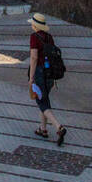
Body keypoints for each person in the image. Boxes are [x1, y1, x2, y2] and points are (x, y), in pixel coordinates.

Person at [28, 13, 67, 145]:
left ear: (35, 25)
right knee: (44, 100)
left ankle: (58, 127)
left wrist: (31, 77)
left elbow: (33, 58)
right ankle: (43, 129)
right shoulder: (49, 38)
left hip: (40, 73)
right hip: (50, 74)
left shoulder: (34, 37)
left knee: (42, 103)